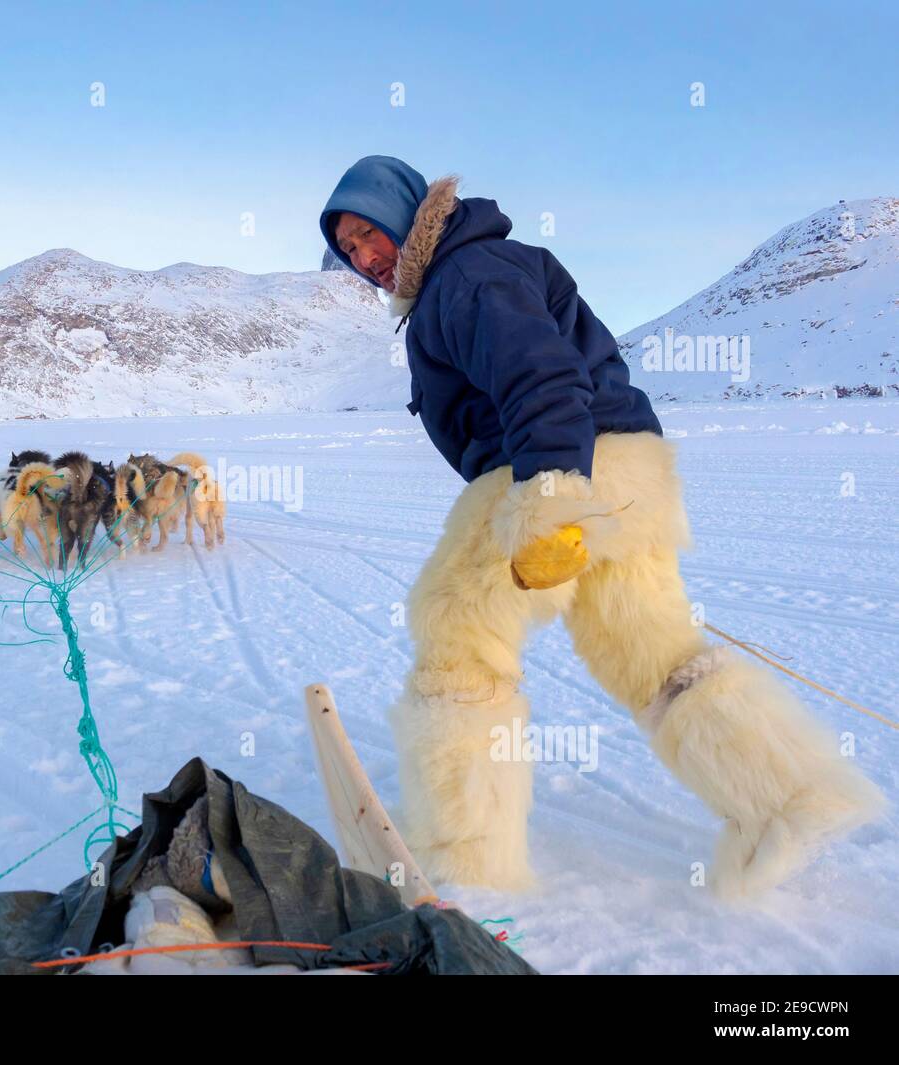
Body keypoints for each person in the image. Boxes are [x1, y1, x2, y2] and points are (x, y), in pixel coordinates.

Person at [319, 155, 883, 899]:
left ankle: (460, 854)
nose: (364, 258)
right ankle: (784, 797)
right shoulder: (466, 271)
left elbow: (541, 374)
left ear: (404, 214)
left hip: (551, 466)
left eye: (369, 234)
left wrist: (550, 497)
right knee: (652, 654)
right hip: (625, 469)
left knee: (456, 638)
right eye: (349, 249)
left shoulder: (465, 275)